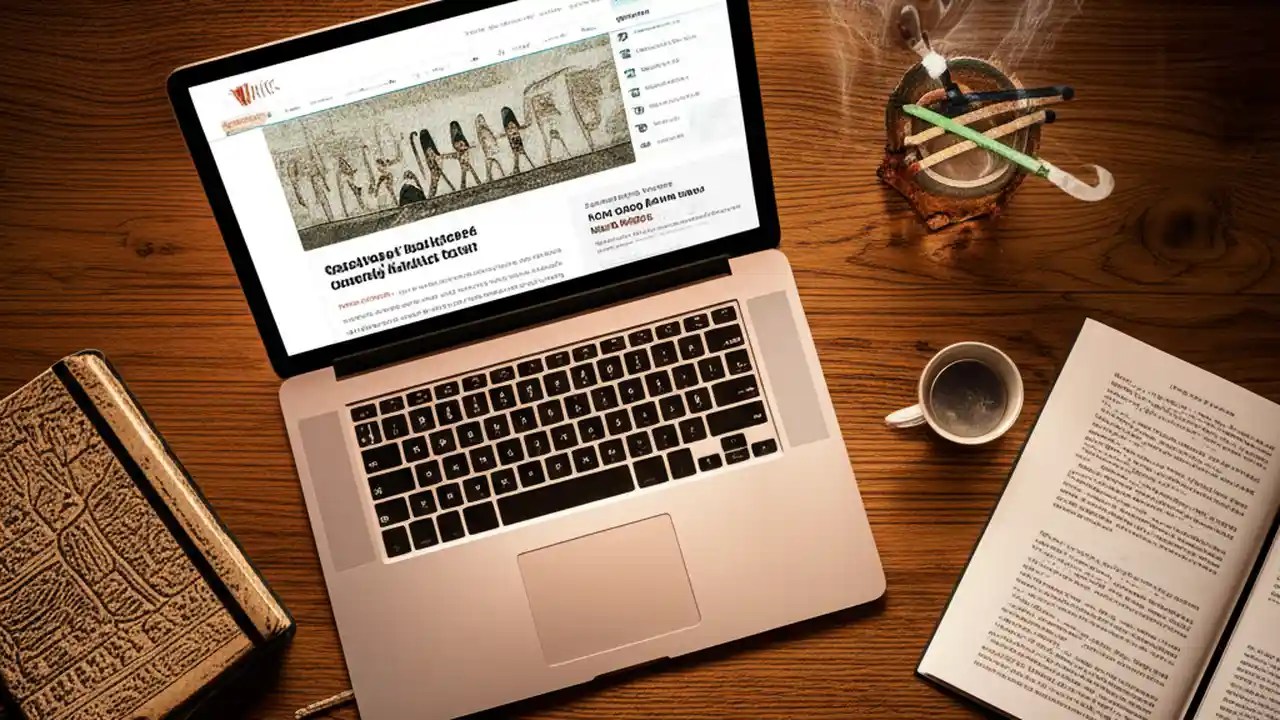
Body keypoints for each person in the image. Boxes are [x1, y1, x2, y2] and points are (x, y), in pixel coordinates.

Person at [410, 129, 457, 199]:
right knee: (435, 184)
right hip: (434, 166)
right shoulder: (429, 149)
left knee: (435, 185)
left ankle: (430, 197)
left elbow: (434, 156)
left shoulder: (428, 149)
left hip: (435, 165)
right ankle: (430, 197)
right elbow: (434, 157)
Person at [502, 106, 537, 173]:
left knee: (518, 153)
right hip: (514, 139)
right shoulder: (511, 124)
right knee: (518, 154)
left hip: (515, 139)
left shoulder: (509, 125)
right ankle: (518, 168)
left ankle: (518, 168)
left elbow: (514, 130)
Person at [450, 121, 482, 189]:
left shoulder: (458, 137)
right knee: (466, 171)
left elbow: (464, 146)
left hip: (463, 156)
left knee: (466, 170)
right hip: (462, 156)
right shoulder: (456, 138)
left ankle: (465, 185)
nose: (454, 130)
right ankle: (475, 183)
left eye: (455, 128)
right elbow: (462, 147)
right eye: (453, 128)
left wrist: (465, 148)